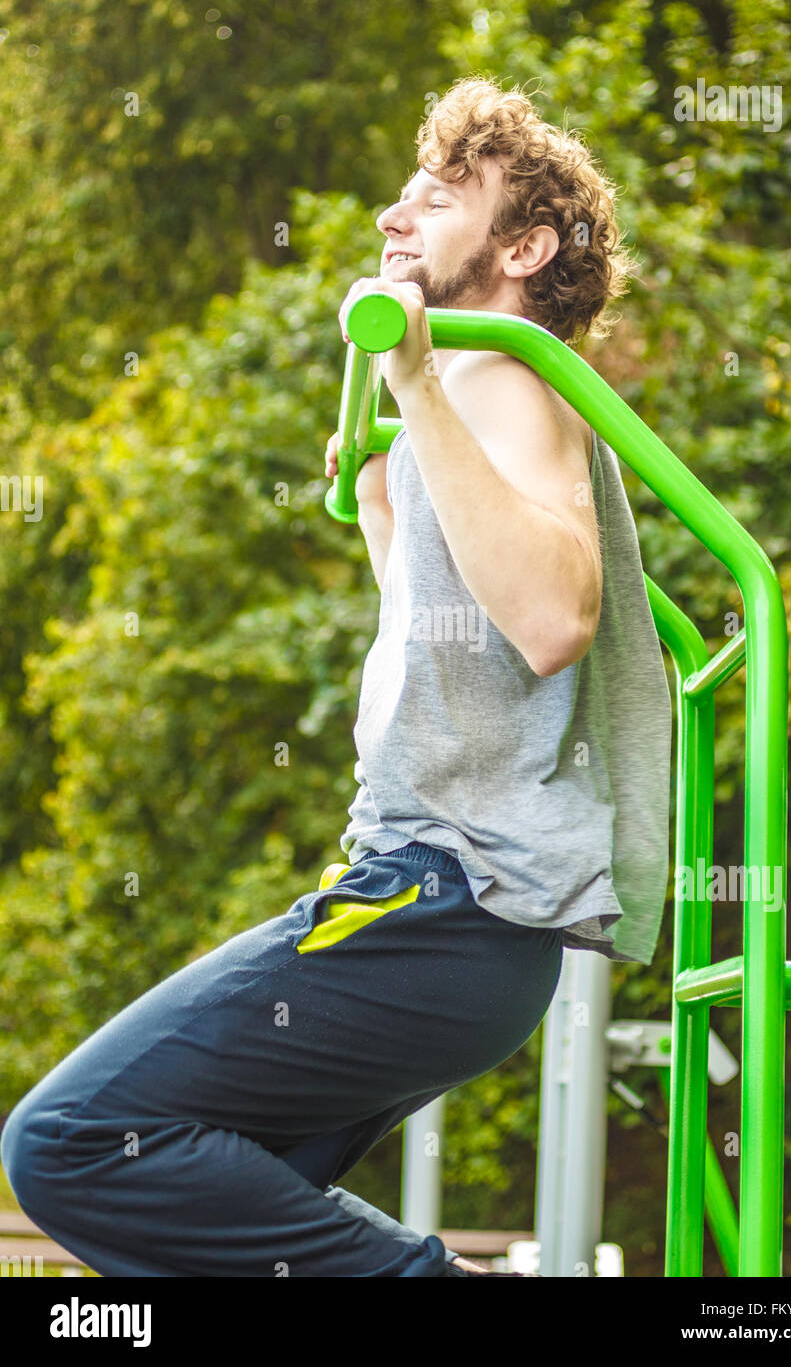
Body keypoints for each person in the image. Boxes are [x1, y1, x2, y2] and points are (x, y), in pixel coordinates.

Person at [1, 76, 670, 1277]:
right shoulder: (458, 401)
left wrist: (411, 382)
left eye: (437, 196)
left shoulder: (503, 375)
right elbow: (453, 647)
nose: (392, 217)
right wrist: (382, 494)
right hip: (440, 909)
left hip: (448, 900)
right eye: (398, 194)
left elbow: (554, 616)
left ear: (522, 248)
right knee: (196, 1198)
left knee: (72, 1141)